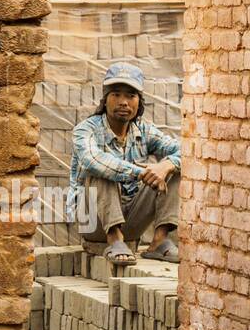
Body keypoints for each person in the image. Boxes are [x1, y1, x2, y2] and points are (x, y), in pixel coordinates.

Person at [69, 63, 182, 266]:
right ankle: (114, 239)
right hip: (93, 223)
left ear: (139, 102)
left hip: (132, 221)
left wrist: (165, 166)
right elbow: (92, 160)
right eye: (116, 95)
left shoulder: (144, 131)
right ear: (105, 99)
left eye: (130, 96)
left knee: (173, 167)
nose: (123, 102)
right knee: (99, 170)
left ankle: (160, 241)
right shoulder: (85, 130)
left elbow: (187, 151)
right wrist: (140, 172)